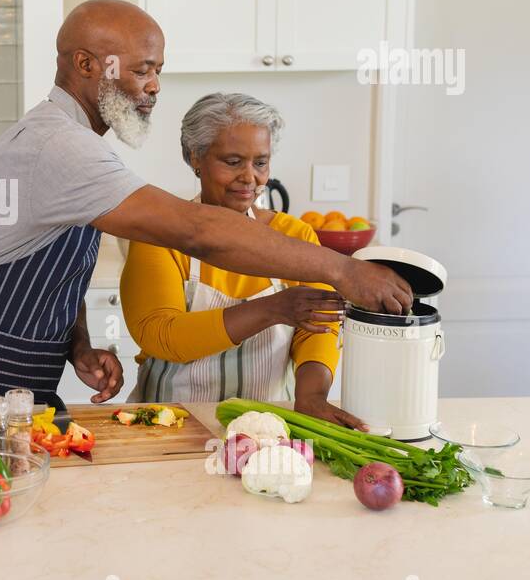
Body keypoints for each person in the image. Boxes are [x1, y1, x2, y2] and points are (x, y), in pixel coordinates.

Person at [0, 0, 411, 408]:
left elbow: (49, 271)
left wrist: (78, 344)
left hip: (10, 369)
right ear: (86, 64)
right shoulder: (59, 145)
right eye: (142, 69)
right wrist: (343, 270)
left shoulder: (77, 140)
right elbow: (195, 230)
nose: (154, 86)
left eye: (158, 70)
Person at [122, 93, 364, 428]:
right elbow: (162, 335)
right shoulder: (160, 237)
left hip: (268, 429)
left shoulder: (294, 235)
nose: (250, 177)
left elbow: (318, 329)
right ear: (195, 157)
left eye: (260, 163)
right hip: (169, 424)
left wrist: (312, 397)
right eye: (233, 162)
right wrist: (275, 309)